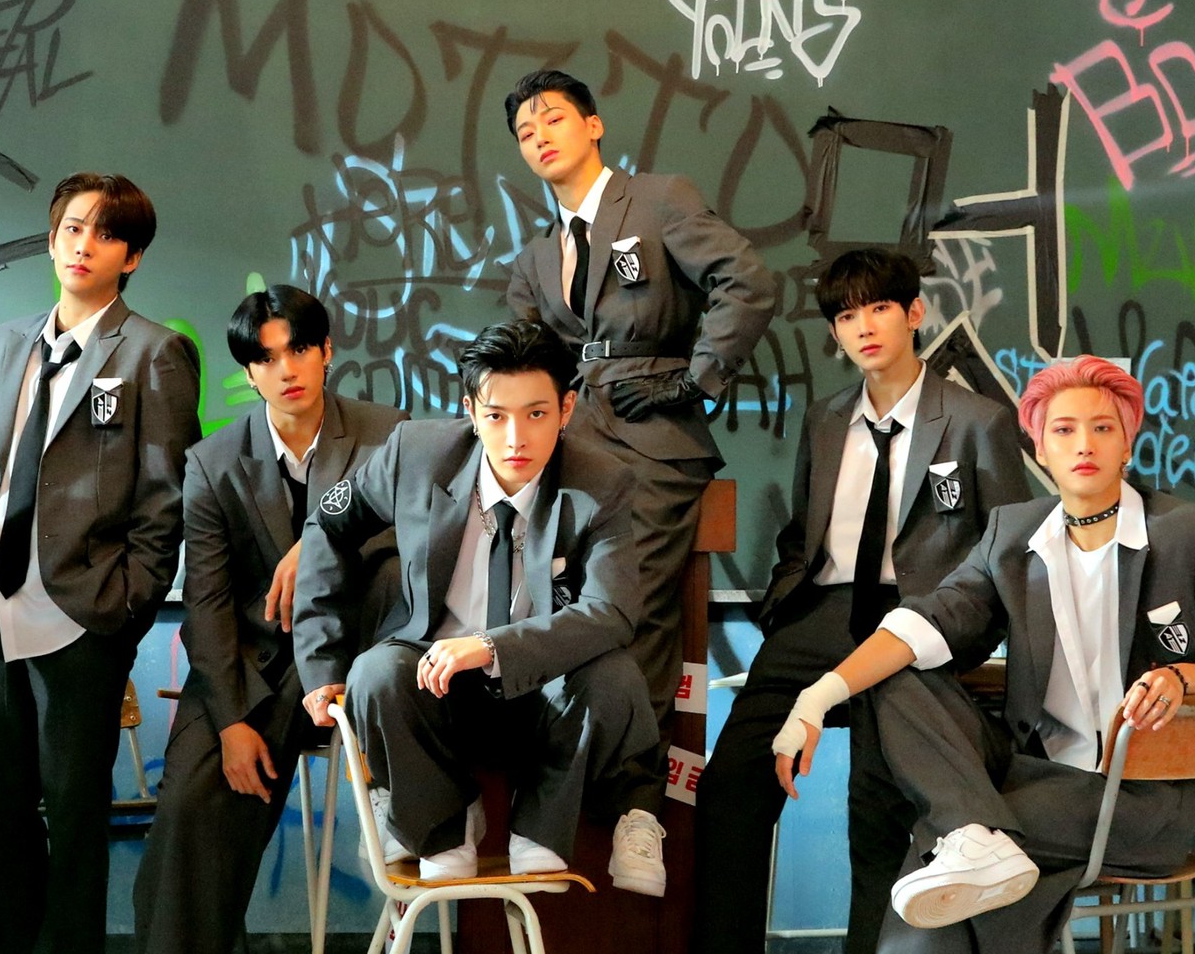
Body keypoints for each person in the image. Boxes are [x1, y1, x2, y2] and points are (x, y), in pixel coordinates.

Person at [774, 356, 1195, 951]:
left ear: (1126, 444)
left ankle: (969, 830)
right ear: (1040, 448)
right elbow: (929, 620)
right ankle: (971, 830)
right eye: (1063, 429)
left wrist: (1184, 677)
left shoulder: (1188, 532)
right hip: (1031, 773)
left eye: (1103, 427)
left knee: (941, 856)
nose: (1083, 444)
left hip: (1140, 798)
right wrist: (816, 698)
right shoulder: (1012, 534)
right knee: (894, 674)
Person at [694, 248, 1029, 952]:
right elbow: (801, 535)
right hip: (819, 616)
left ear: (915, 313)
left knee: (876, 806)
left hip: (917, 621)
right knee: (730, 785)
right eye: (847, 317)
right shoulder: (826, 419)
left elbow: (1008, 551)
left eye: (880, 308)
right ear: (836, 333)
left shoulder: (976, 421)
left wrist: (971, 635)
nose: (865, 327)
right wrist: (782, 609)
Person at [502, 68, 777, 895]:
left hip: (655, 438)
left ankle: (637, 808)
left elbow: (748, 282)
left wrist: (695, 379)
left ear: (593, 124)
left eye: (552, 118)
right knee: (545, 604)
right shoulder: (534, 257)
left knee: (634, 612)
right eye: (524, 132)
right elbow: (516, 360)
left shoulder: (657, 200)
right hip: (566, 448)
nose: (539, 137)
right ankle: (553, 792)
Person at [0, 172, 201, 954]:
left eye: (106, 234)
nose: (84, 245)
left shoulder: (154, 352)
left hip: (80, 618)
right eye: (73, 228)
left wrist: (126, 608)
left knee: (76, 822)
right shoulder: (1, 342)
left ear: (131, 257)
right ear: (51, 240)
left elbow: (165, 500)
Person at [294, 319, 657, 887]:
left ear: (566, 409)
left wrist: (490, 646)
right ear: (469, 410)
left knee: (613, 673)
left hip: (542, 695)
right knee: (376, 673)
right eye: (496, 416)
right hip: (433, 690)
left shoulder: (602, 483)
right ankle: (442, 821)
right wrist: (321, 663)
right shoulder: (414, 453)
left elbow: (610, 612)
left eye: (536, 414)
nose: (515, 439)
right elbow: (328, 526)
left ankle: (539, 826)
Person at [134, 285, 406, 954]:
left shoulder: (388, 434)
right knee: (189, 810)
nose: (287, 370)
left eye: (300, 349)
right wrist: (229, 721)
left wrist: (319, 538)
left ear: (327, 352)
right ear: (249, 373)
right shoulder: (213, 462)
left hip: (354, 655)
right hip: (255, 667)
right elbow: (207, 601)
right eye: (266, 358)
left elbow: (419, 546)